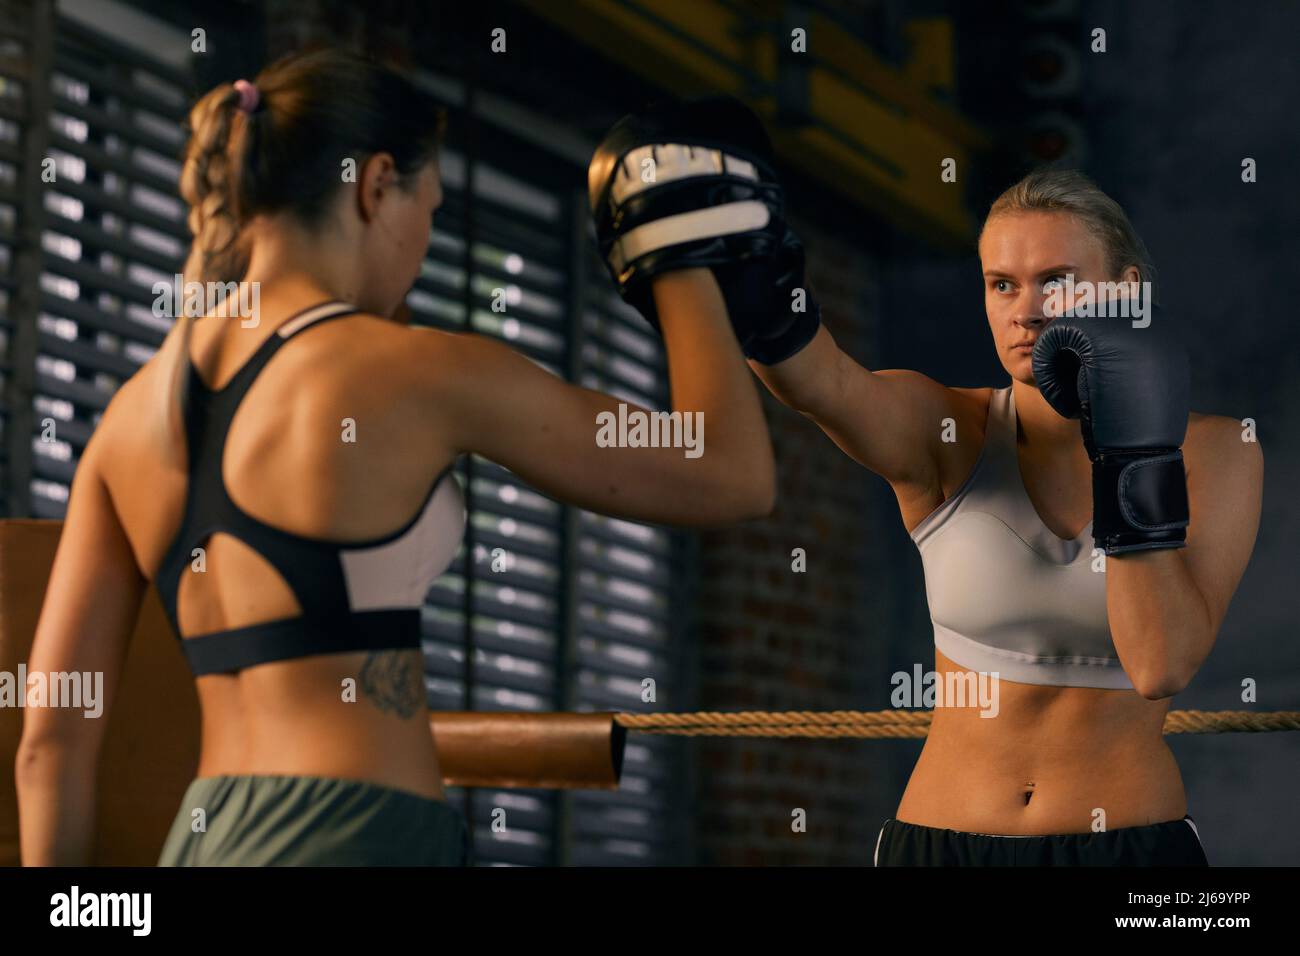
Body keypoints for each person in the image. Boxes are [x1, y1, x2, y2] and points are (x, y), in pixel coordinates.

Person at [15, 51, 779, 865]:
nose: (422, 246)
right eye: (430, 209)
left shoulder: (130, 417)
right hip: (357, 839)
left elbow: (48, 748)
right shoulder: (416, 371)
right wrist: (677, 249)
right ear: (375, 185)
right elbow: (728, 473)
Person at [744, 168, 1262, 865]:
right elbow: (825, 385)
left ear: (1128, 290)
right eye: (1002, 284)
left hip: (1129, 847)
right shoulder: (947, 429)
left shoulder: (1218, 451)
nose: (1027, 311)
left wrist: (1134, 449)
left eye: (1057, 281)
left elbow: (1159, 663)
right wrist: (753, 290)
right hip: (941, 844)